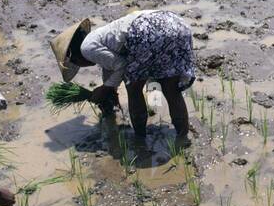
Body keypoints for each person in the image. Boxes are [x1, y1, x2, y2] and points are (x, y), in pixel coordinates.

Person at [50, 10, 193, 139]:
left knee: (133, 88)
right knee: (171, 90)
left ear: (73, 57)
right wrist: (108, 97)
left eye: (75, 64)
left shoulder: (86, 48)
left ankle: (140, 140)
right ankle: (183, 138)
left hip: (146, 31)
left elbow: (121, 65)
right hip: (175, 24)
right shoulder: (101, 36)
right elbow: (112, 72)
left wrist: (104, 89)